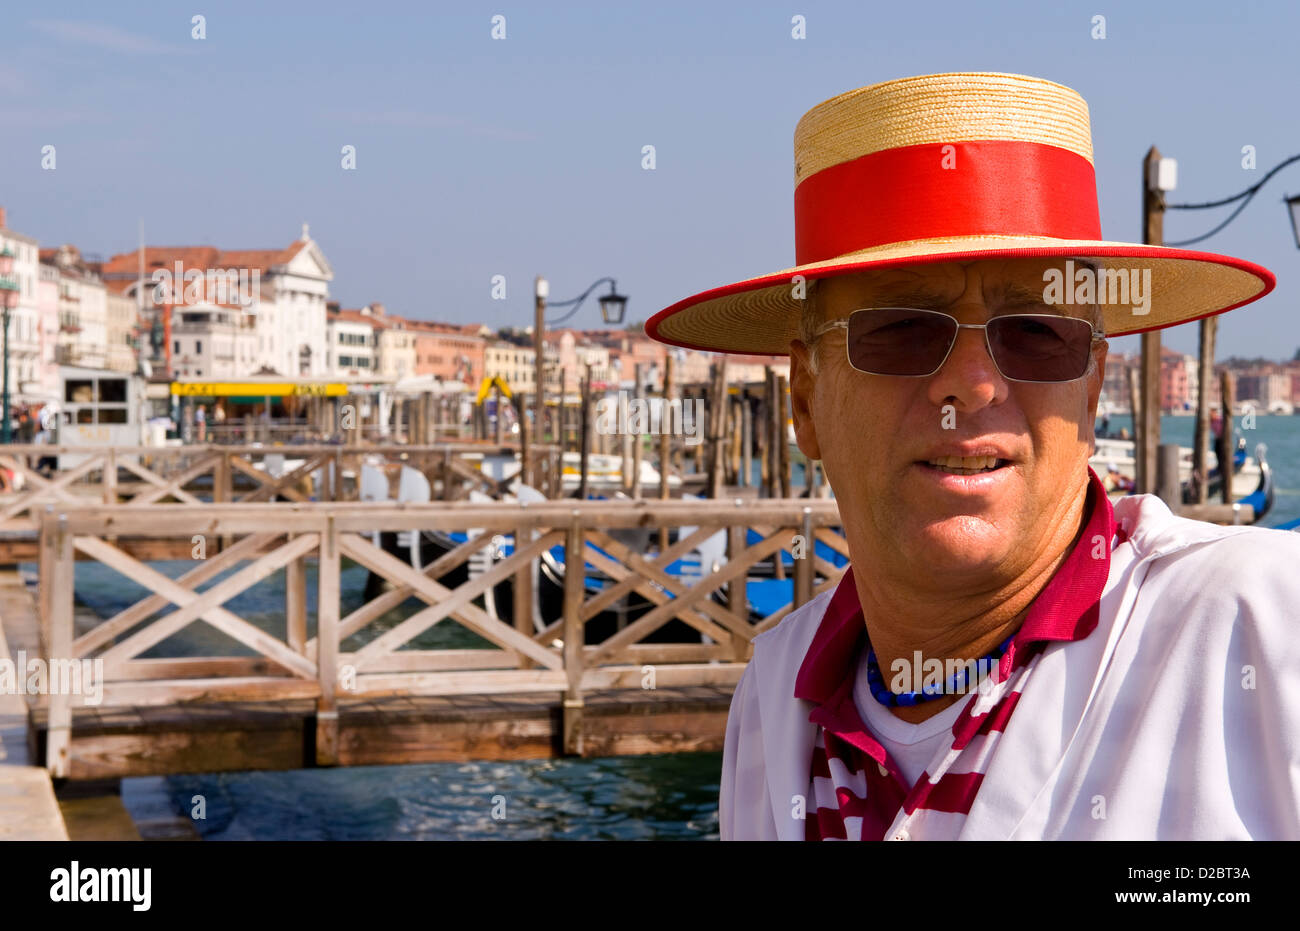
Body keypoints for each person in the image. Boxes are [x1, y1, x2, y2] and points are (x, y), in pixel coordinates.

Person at [647, 72, 1297, 839]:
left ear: (1088, 390)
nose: (973, 383)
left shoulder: (1264, 619)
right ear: (805, 402)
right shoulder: (773, 689)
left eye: (1035, 332)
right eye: (902, 329)